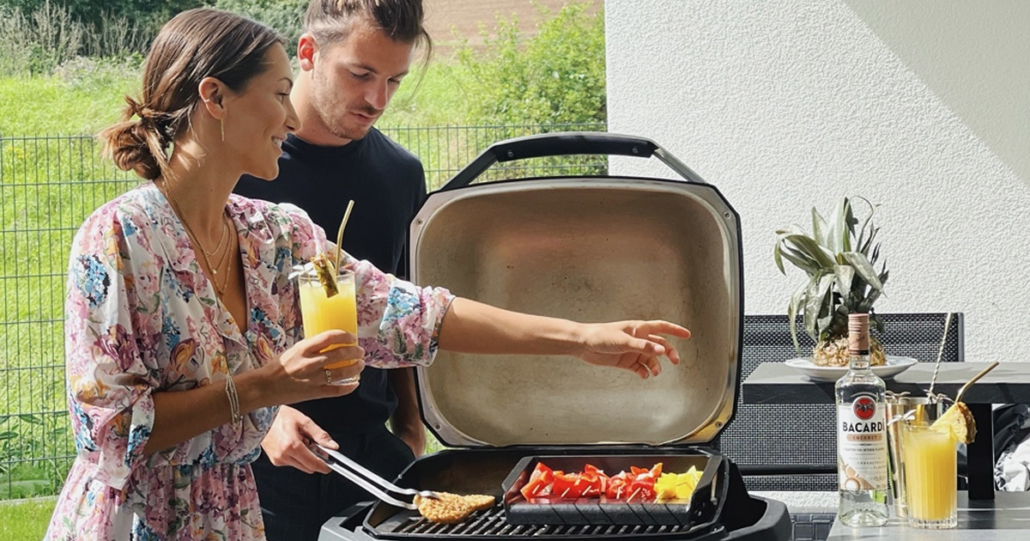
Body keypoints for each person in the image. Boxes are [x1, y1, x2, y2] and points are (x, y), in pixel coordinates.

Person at [45, 8, 690, 540]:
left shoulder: (277, 234)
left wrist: (581, 339)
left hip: (230, 521)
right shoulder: (118, 240)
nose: (292, 118)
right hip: (132, 522)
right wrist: (266, 388)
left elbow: (415, 314)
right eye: (277, 96)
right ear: (214, 97)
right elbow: (109, 432)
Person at [233, 2, 433, 537]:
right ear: (307, 53)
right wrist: (265, 418)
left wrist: (411, 426)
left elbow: (403, 312)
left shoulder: (401, 174)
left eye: (394, 80)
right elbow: (196, 331)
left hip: (373, 460)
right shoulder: (238, 171)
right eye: (361, 74)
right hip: (257, 462)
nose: (377, 100)